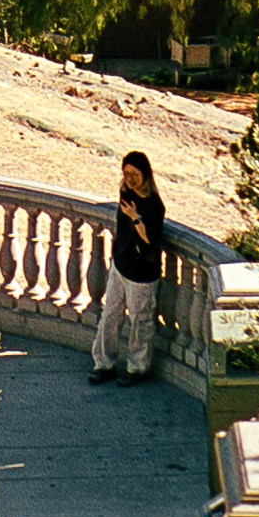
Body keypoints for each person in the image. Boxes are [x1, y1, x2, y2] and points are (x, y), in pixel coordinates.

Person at [96, 150, 167, 382]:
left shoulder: (154, 205)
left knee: (141, 321)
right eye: (125, 173)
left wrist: (135, 218)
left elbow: (151, 241)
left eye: (134, 173)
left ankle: (137, 368)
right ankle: (103, 364)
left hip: (142, 273)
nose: (129, 178)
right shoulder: (125, 192)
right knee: (109, 316)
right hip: (121, 265)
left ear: (145, 174)